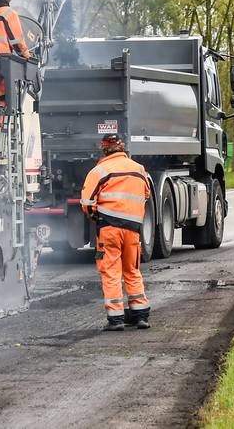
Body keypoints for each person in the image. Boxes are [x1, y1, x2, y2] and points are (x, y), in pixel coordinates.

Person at [79, 134, 152, 331]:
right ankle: (141, 316)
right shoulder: (139, 169)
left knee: (111, 272)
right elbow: (146, 194)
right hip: (133, 229)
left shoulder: (99, 171)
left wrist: (95, 217)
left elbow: (87, 203)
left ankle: (116, 319)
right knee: (132, 270)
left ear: (103, 149)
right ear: (122, 147)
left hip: (109, 228)